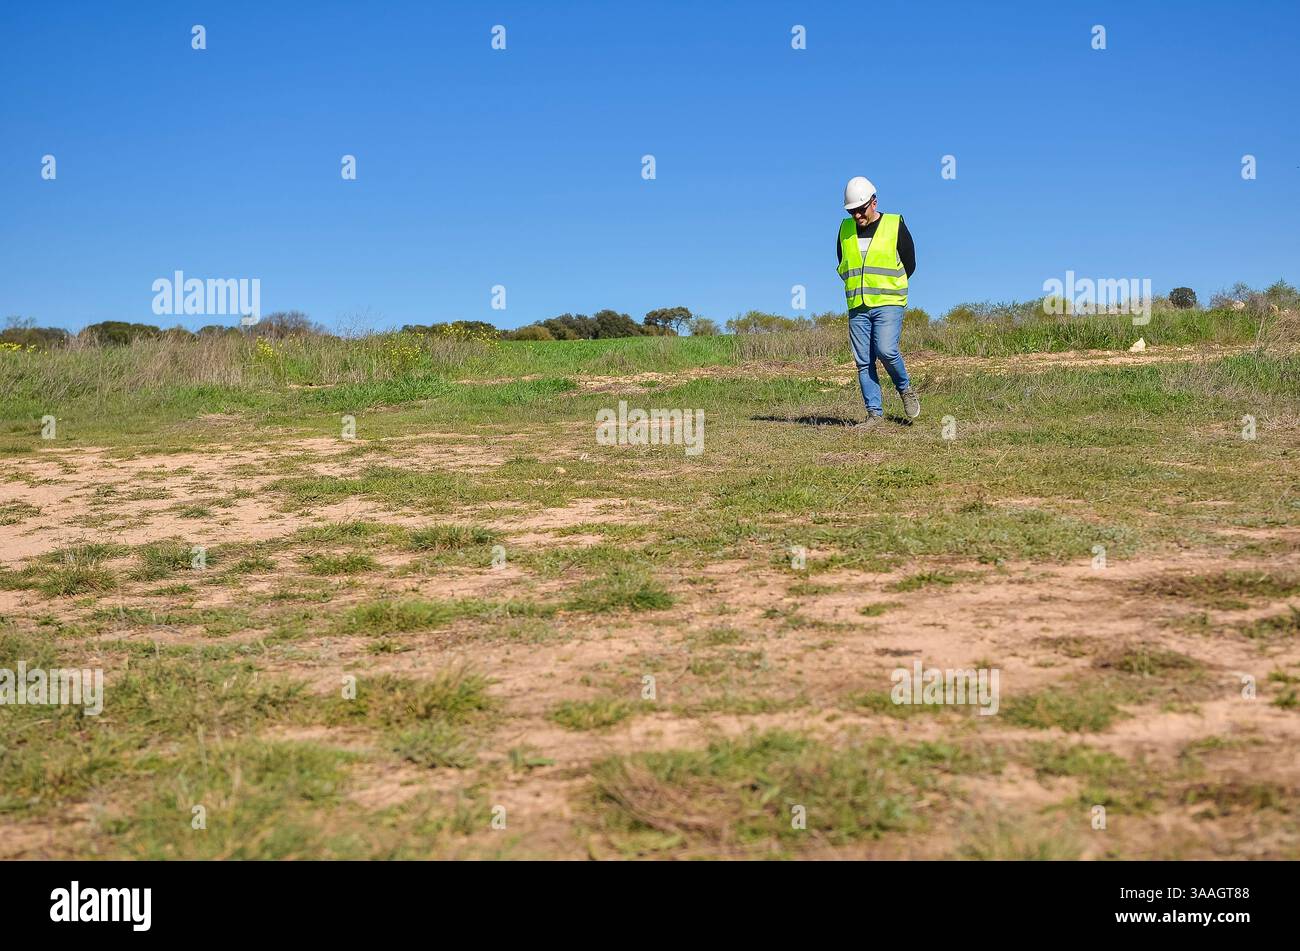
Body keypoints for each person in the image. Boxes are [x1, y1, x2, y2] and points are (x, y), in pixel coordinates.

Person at [837, 176, 920, 428]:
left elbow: (910, 264)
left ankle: (905, 389)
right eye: (852, 211)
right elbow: (843, 263)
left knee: (886, 350)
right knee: (864, 361)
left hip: (888, 301)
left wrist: (888, 287)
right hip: (857, 305)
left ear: (874, 202)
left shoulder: (894, 225)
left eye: (860, 210)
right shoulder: (844, 229)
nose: (857, 216)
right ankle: (874, 415)